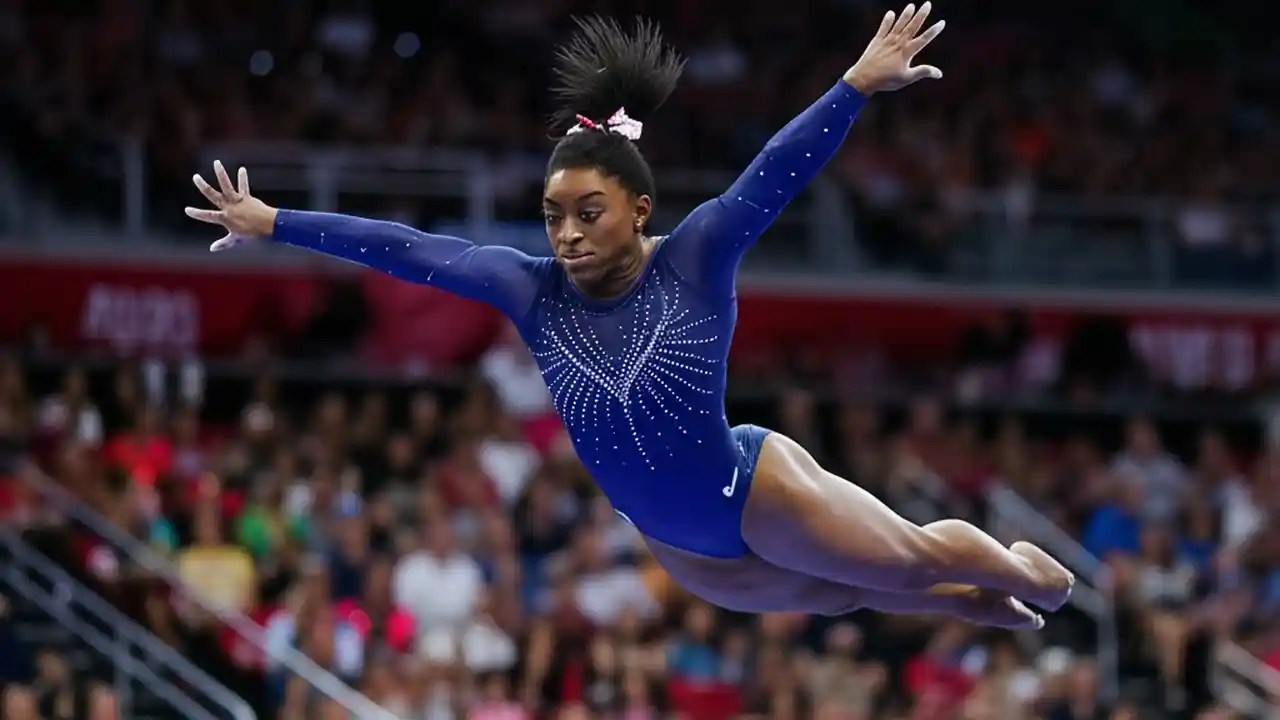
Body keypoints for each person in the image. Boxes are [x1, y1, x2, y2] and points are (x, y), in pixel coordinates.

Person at [186, 3, 1073, 629]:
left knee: (911, 563)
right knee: (849, 595)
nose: (566, 235)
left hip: (754, 496)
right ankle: (987, 606)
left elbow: (772, 171)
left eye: (588, 214)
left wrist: (853, 86)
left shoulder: (696, 257)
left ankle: (1031, 573)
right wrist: (275, 222)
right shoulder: (527, 289)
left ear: (639, 211)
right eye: (553, 216)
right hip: (681, 548)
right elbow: (410, 247)